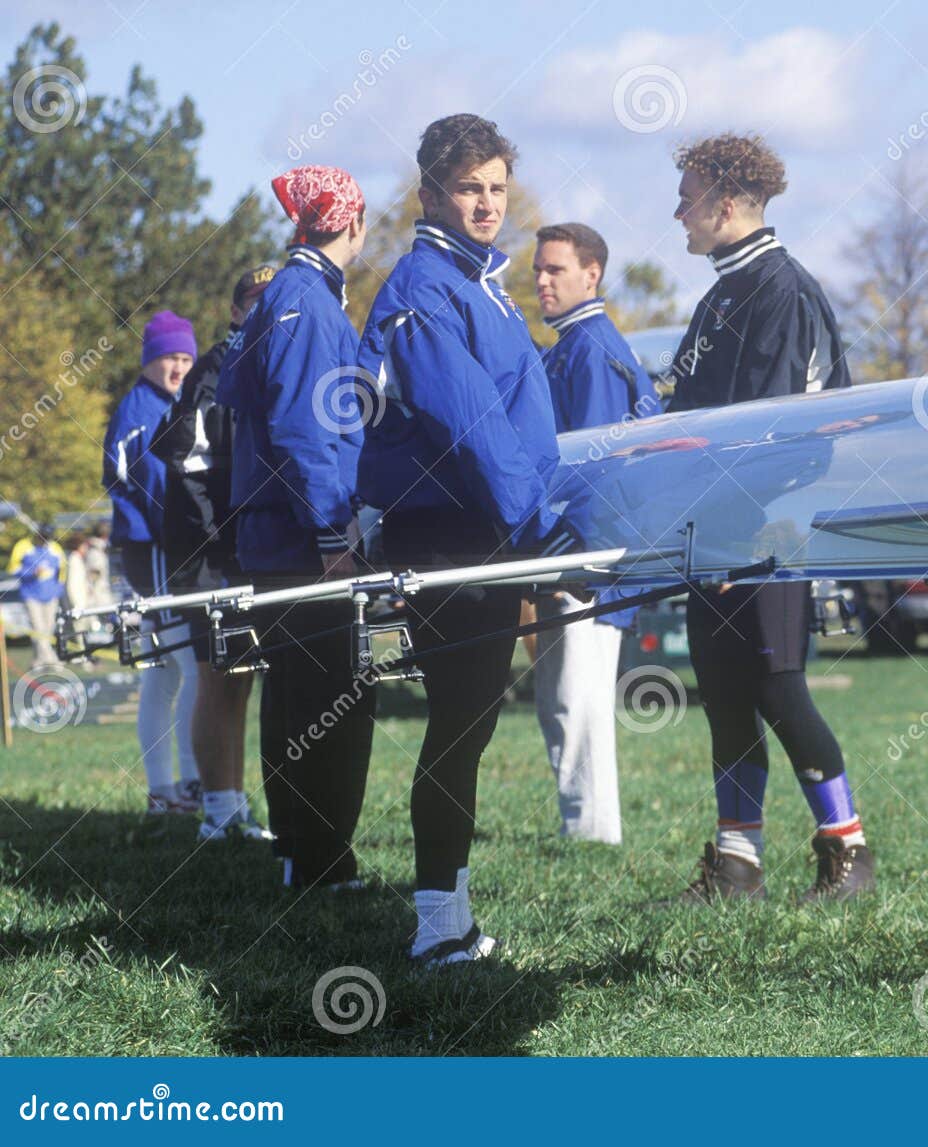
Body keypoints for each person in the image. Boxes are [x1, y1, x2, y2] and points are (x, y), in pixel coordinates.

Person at [357, 114, 574, 964]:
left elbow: (519, 421)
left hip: (491, 528)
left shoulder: (481, 284)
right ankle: (438, 925)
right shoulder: (424, 287)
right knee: (459, 725)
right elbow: (472, 425)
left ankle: (448, 910)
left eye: (495, 188)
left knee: (470, 725)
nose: (486, 204)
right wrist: (540, 528)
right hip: (451, 536)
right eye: (468, 189)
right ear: (430, 195)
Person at [664, 132, 872, 904]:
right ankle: (737, 863)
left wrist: (738, 530)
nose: (676, 211)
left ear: (725, 204)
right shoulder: (722, 291)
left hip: (772, 533)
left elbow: (773, 436)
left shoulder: (782, 288)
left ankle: (848, 849)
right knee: (721, 690)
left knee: (780, 686)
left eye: (686, 197)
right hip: (715, 533)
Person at [219, 165, 375, 889]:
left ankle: (297, 852)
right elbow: (303, 430)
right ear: (354, 225)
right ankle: (322, 859)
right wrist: (332, 533)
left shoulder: (280, 295)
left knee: (292, 698)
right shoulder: (310, 301)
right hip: (303, 538)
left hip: (273, 532)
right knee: (331, 699)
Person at [531, 222, 661, 845]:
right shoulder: (574, 345)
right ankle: (582, 824)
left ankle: (590, 832)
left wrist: (573, 561)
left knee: (575, 703)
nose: (541, 280)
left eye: (555, 269)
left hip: (586, 563)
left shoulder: (590, 350)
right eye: (538, 269)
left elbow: (595, 470)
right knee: (563, 698)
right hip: (579, 560)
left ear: (592, 274)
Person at [154, 264, 277, 843]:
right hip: (210, 556)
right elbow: (185, 461)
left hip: (240, 553)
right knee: (214, 676)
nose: (263, 308)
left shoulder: (265, 365)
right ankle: (217, 809)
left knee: (242, 677)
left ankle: (234, 805)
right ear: (234, 311)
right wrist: (220, 545)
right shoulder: (215, 371)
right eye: (253, 299)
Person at [103, 311, 203, 815]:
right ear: (149, 360)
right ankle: (188, 784)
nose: (180, 367)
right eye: (171, 357)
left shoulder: (168, 403)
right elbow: (147, 485)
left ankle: (165, 791)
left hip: (159, 550)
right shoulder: (142, 411)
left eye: (187, 358)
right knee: (190, 668)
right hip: (156, 550)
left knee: (163, 675)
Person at [7, 527, 65, 666]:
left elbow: (62, 570)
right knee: (38, 628)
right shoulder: (23, 546)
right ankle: (51, 659)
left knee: (49, 628)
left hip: (51, 595)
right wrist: (32, 572)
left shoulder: (54, 548)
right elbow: (12, 569)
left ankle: (39, 660)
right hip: (31, 595)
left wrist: (58, 589)